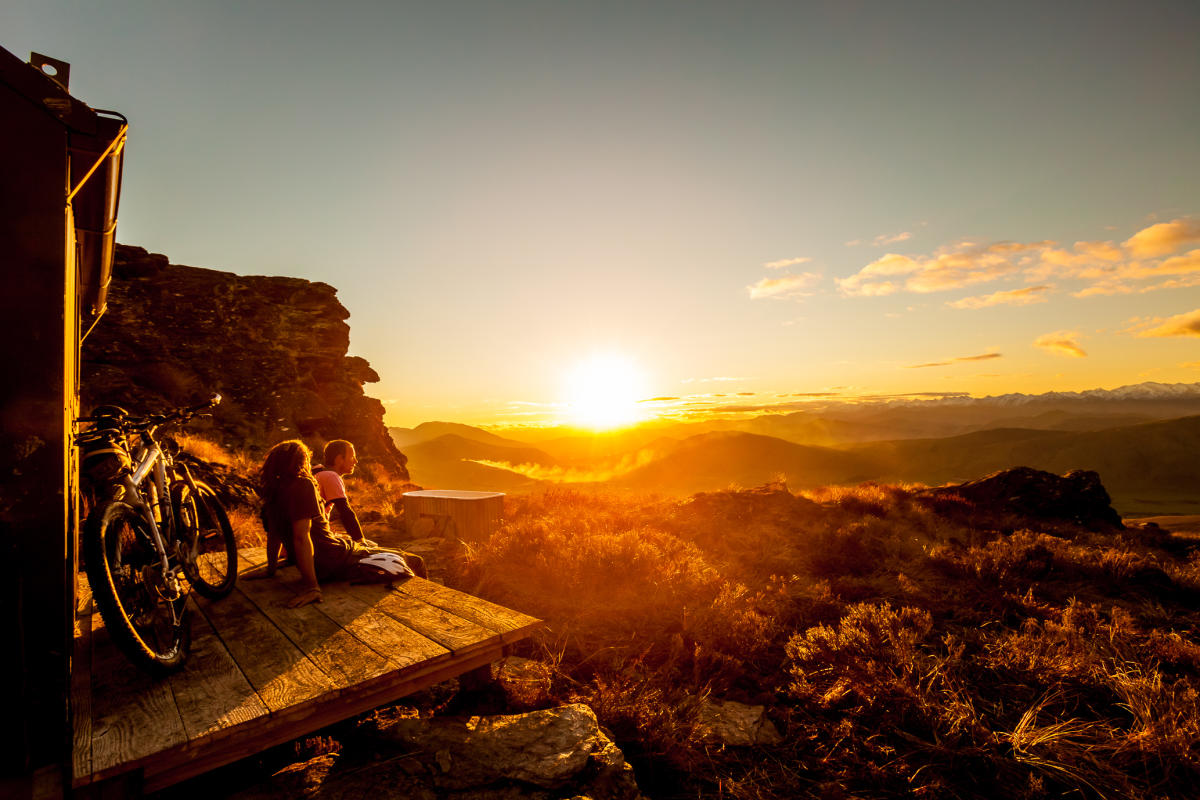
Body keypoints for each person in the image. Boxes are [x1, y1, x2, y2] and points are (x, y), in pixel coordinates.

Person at [248, 439, 424, 608]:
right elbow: (302, 537)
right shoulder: (303, 485)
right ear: (300, 462)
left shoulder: (274, 490)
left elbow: (274, 534)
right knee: (416, 561)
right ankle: (428, 609)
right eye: (307, 459)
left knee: (365, 545)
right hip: (334, 558)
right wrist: (312, 587)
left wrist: (271, 569)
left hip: (323, 557)